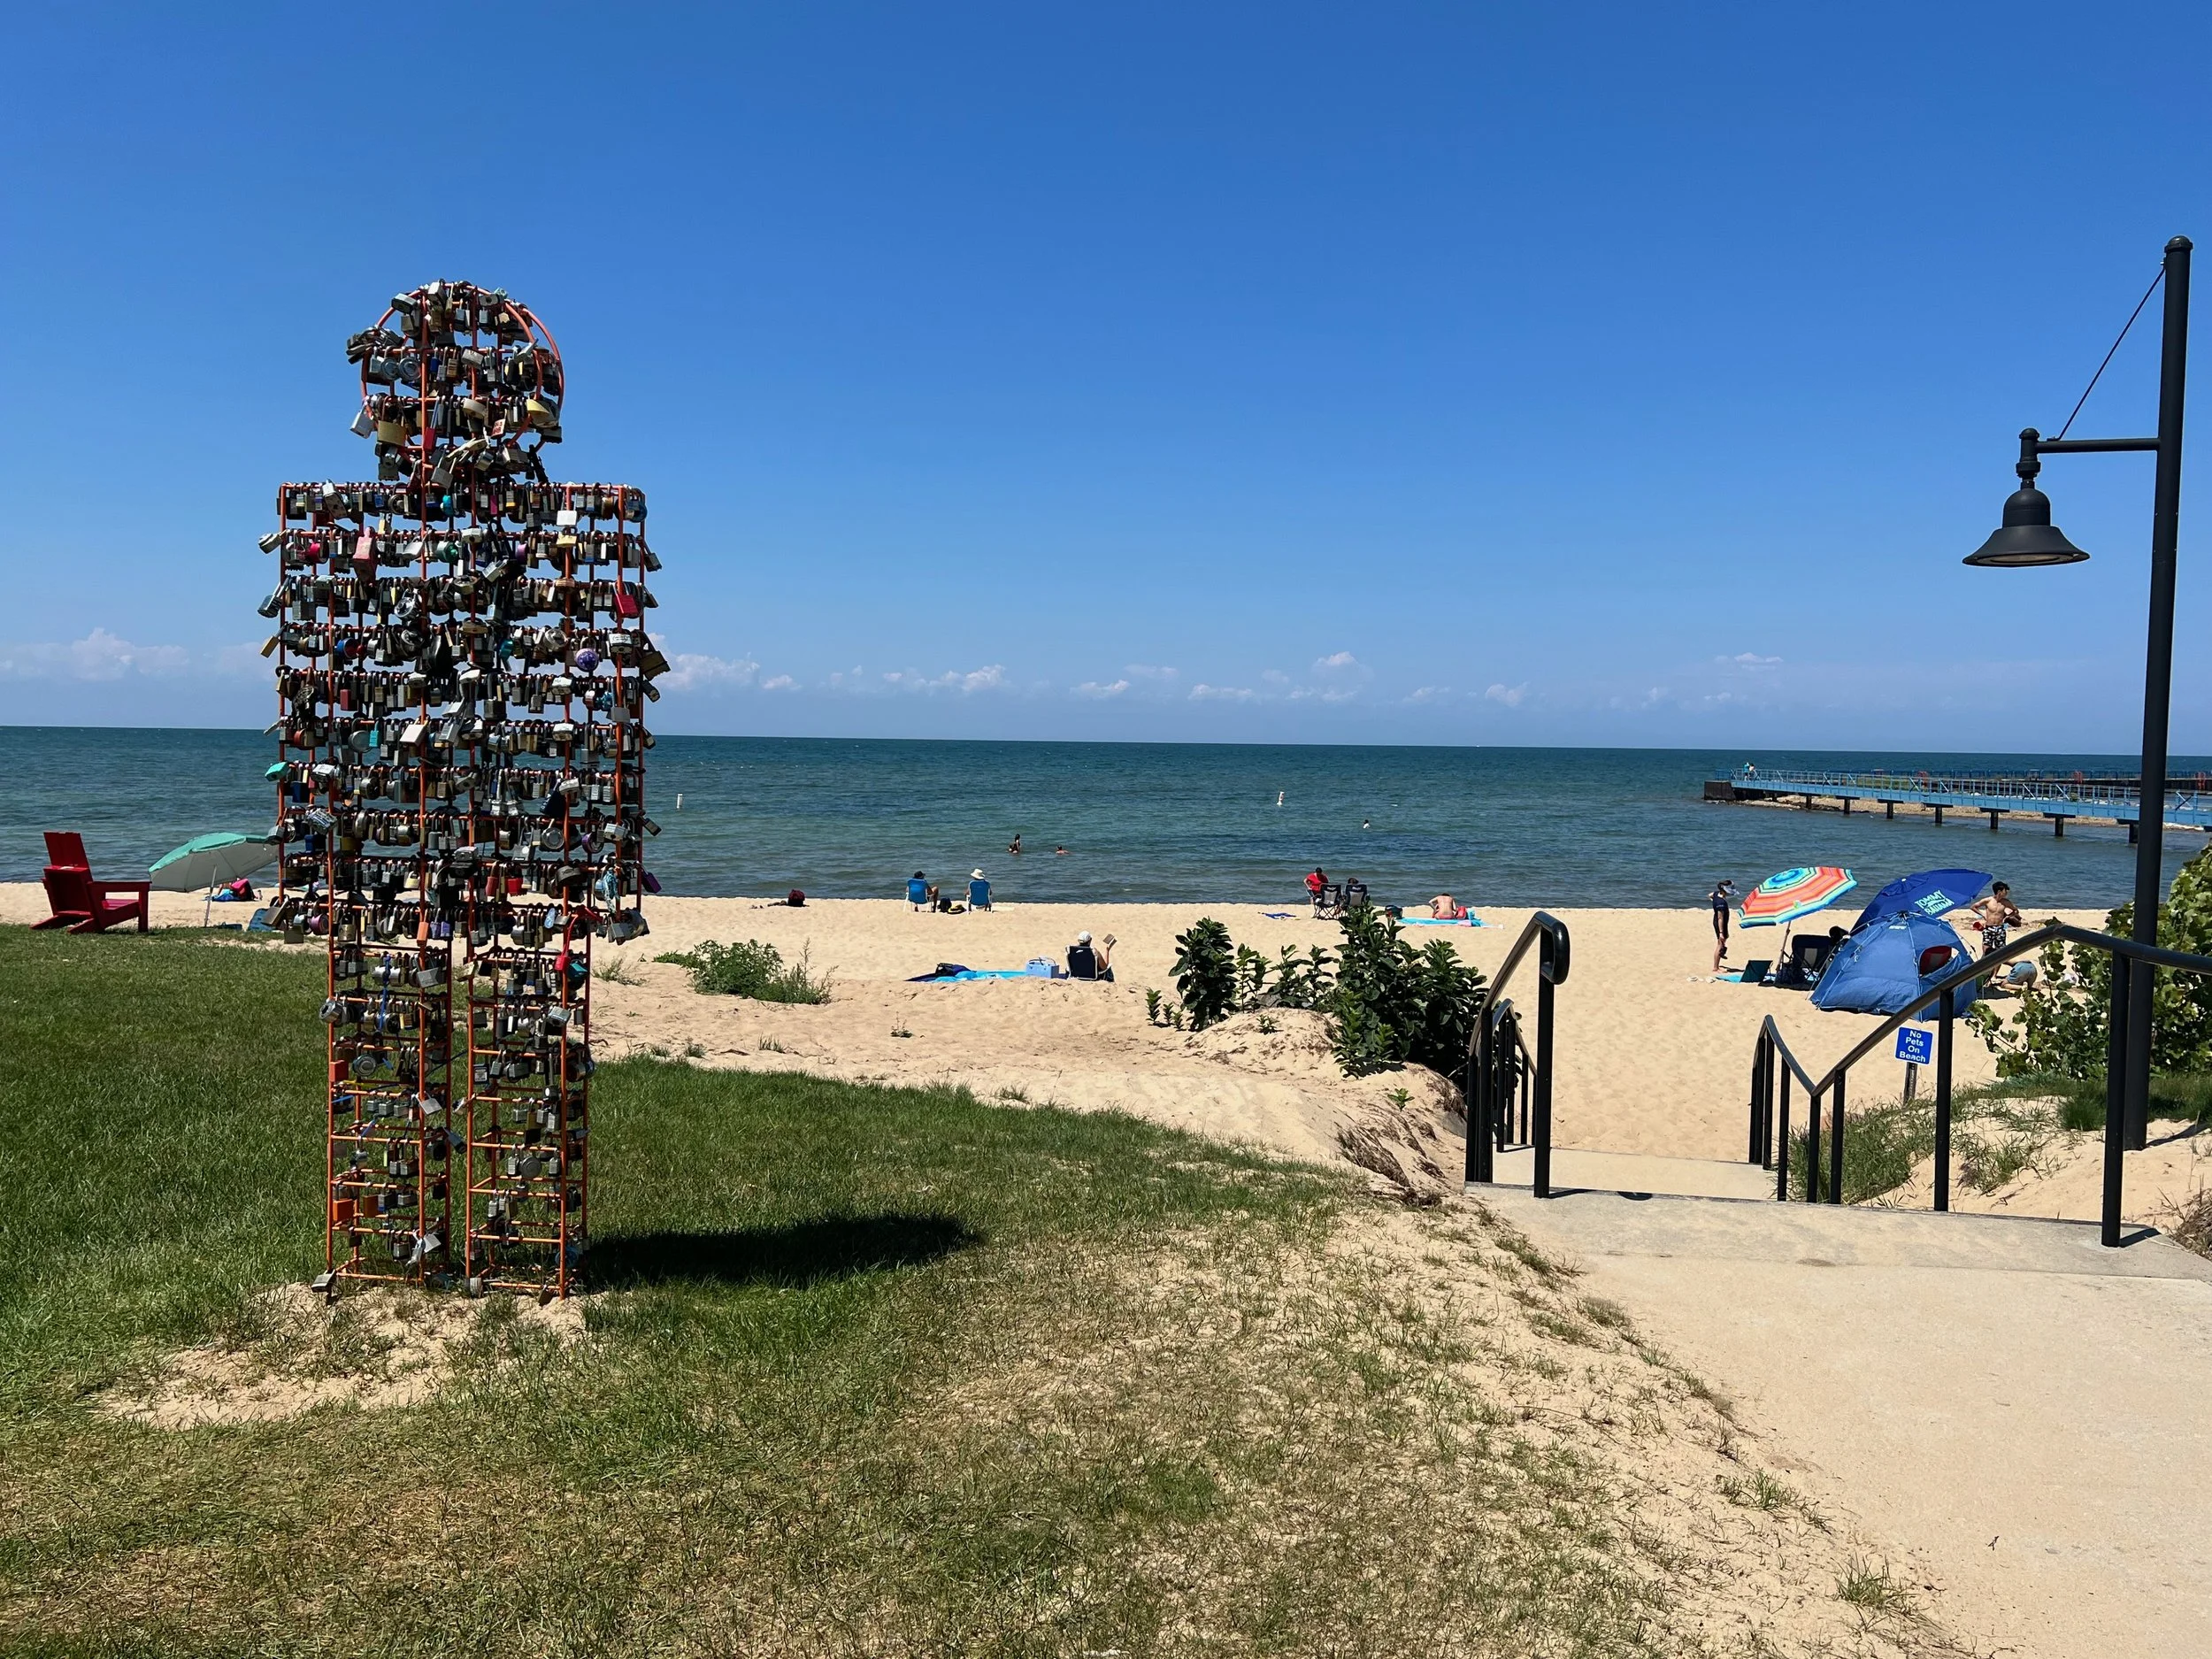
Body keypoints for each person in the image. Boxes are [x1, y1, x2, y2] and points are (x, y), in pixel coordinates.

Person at [1969, 881, 2021, 957]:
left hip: (1999, 928)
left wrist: (2007, 917)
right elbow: (1973, 907)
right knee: (1986, 951)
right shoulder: (1988, 900)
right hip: (1989, 928)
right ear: (1999, 891)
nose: (2006, 893)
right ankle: (1986, 967)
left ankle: (1995, 970)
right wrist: (1983, 914)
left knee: (2000, 952)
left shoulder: (2005, 902)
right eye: (2005, 891)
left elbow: (2016, 910)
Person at [1709, 879, 1737, 972]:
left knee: (1725, 939)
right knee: (1720, 944)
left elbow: (1710, 895)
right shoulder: (1721, 903)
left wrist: (1713, 901)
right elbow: (1720, 918)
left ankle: (1721, 953)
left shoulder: (1716, 894)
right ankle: (1716, 967)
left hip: (1719, 922)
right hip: (1720, 923)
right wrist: (1721, 932)